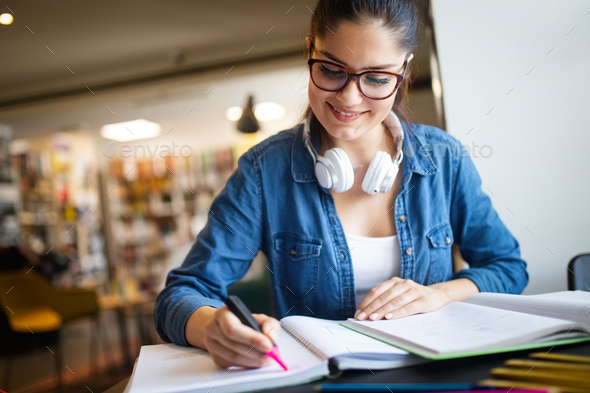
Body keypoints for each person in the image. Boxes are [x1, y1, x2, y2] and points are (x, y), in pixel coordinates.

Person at [154, 0, 528, 369]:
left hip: (436, 375)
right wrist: (210, 328)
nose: (349, 98)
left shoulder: (444, 158)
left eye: (378, 78)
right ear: (309, 52)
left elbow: (507, 266)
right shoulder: (263, 171)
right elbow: (180, 294)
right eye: (332, 70)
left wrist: (439, 295)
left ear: (404, 69)